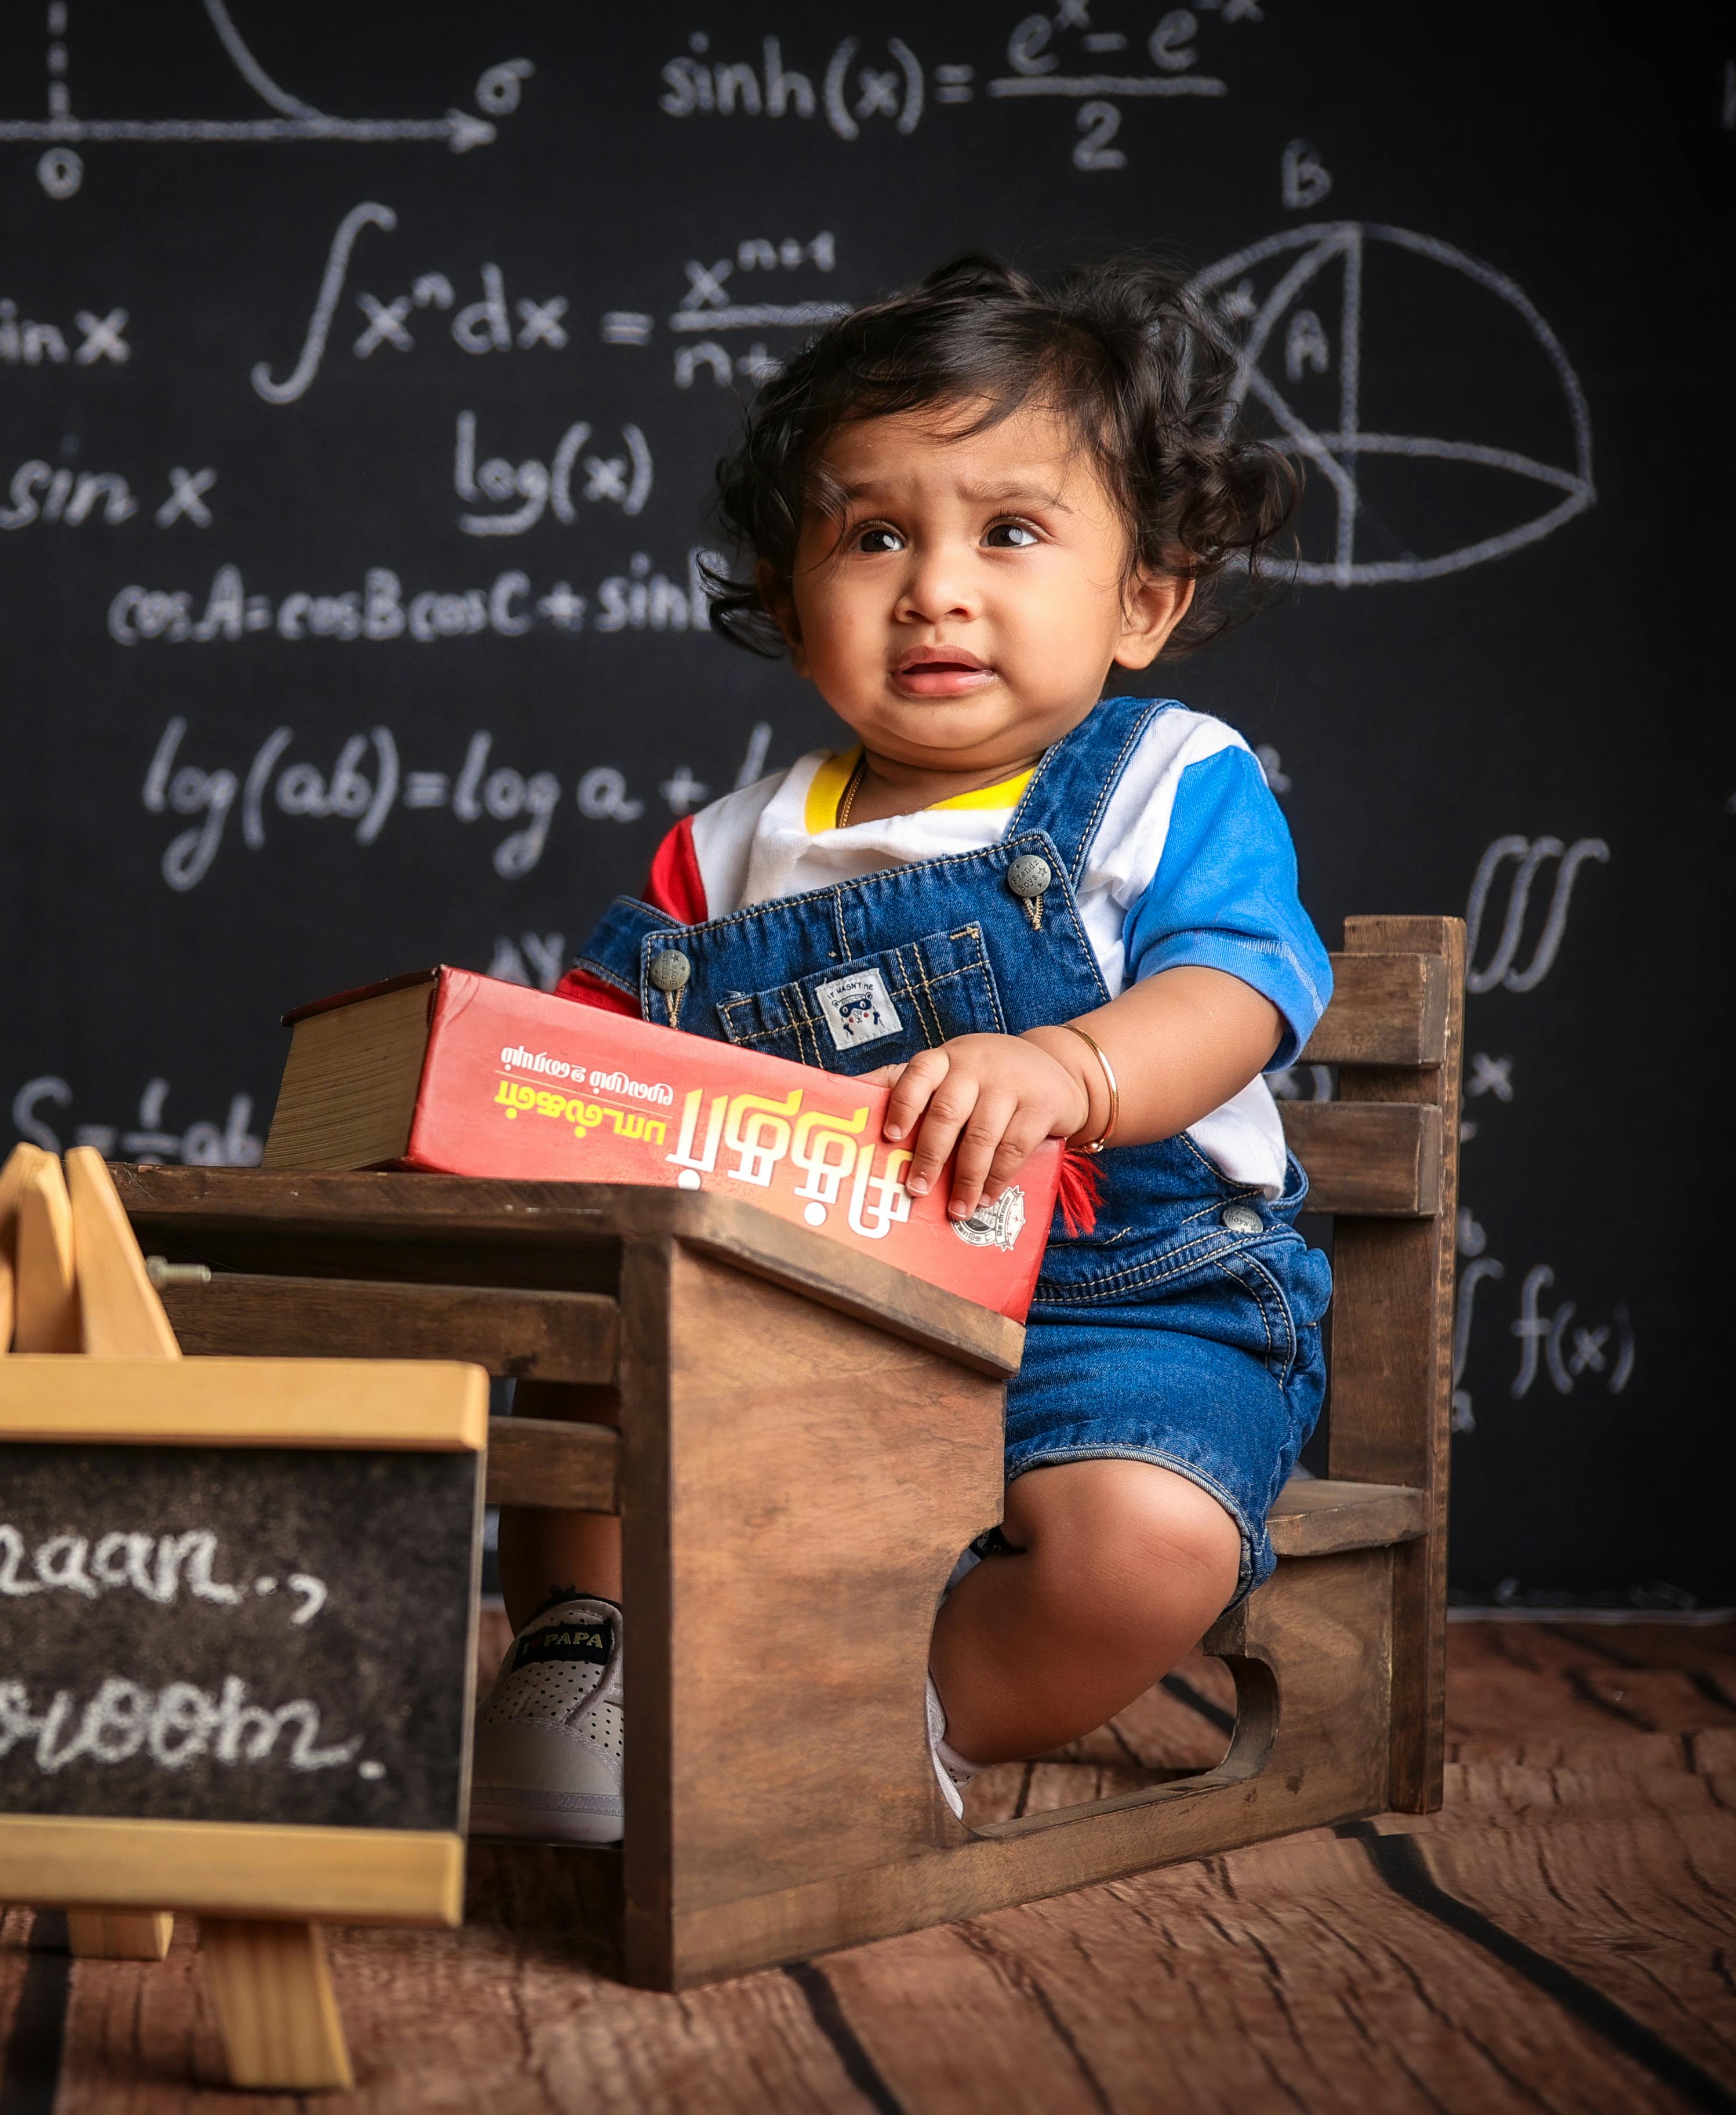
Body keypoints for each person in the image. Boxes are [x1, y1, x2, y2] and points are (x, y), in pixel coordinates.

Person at [470, 255, 1329, 1841]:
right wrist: (504, 1112)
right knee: (592, 1365)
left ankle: (893, 1718)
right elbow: (595, 1066)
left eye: (1009, 532)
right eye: (873, 536)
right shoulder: (726, 850)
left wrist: (1073, 1068)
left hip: (1124, 1301)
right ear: (789, 597)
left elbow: (1242, 988)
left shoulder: (1166, 780)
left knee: (1143, 1544)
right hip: (796, 1307)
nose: (934, 588)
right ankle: (590, 1654)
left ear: (1144, 599)